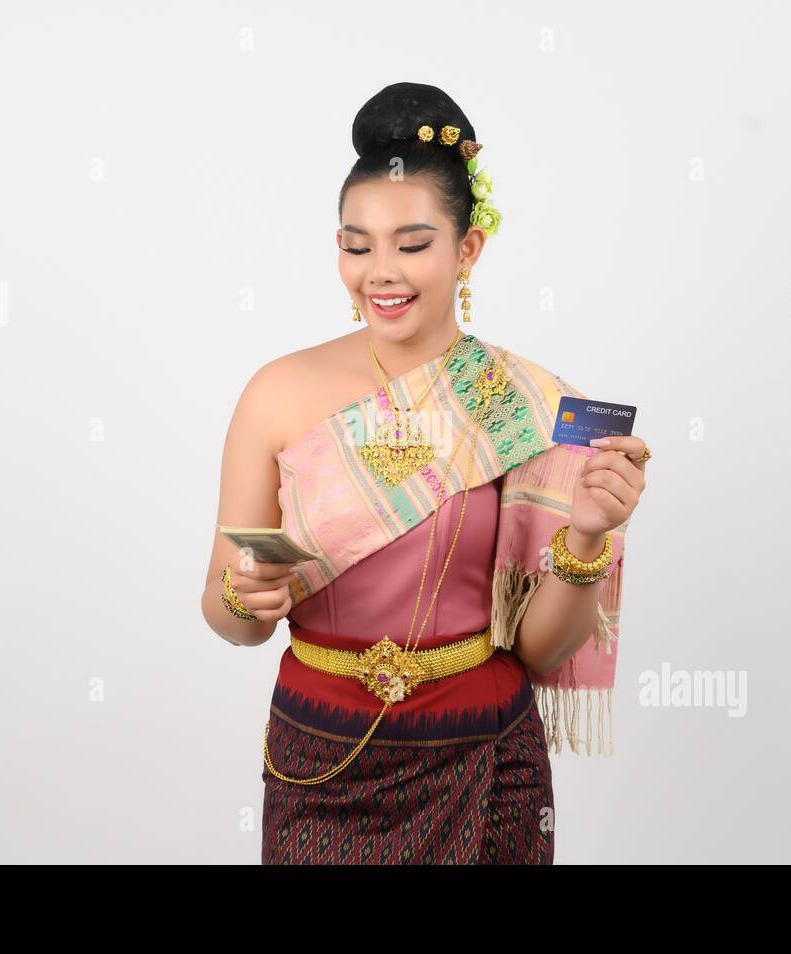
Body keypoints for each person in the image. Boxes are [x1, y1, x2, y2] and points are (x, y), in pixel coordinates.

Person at [200, 82, 650, 864]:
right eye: (356, 244)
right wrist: (247, 595)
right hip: (323, 754)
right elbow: (227, 615)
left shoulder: (520, 403)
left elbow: (540, 651)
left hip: (486, 750)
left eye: (412, 245)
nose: (381, 272)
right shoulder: (276, 394)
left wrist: (586, 536)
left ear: (467, 248)